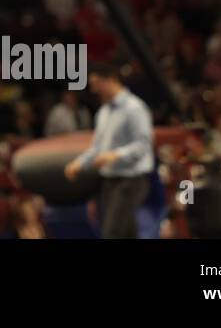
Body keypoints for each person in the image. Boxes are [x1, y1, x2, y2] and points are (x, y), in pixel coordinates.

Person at [64, 64, 154, 239]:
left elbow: (143, 145)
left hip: (131, 180)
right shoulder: (103, 112)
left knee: (112, 232)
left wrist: (115, 155)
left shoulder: (134, 108)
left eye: (97, 84)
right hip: (110, 181)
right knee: (126, 233)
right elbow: (98, 147)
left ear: (111, 80)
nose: (94, 90)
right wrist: (80, 162)